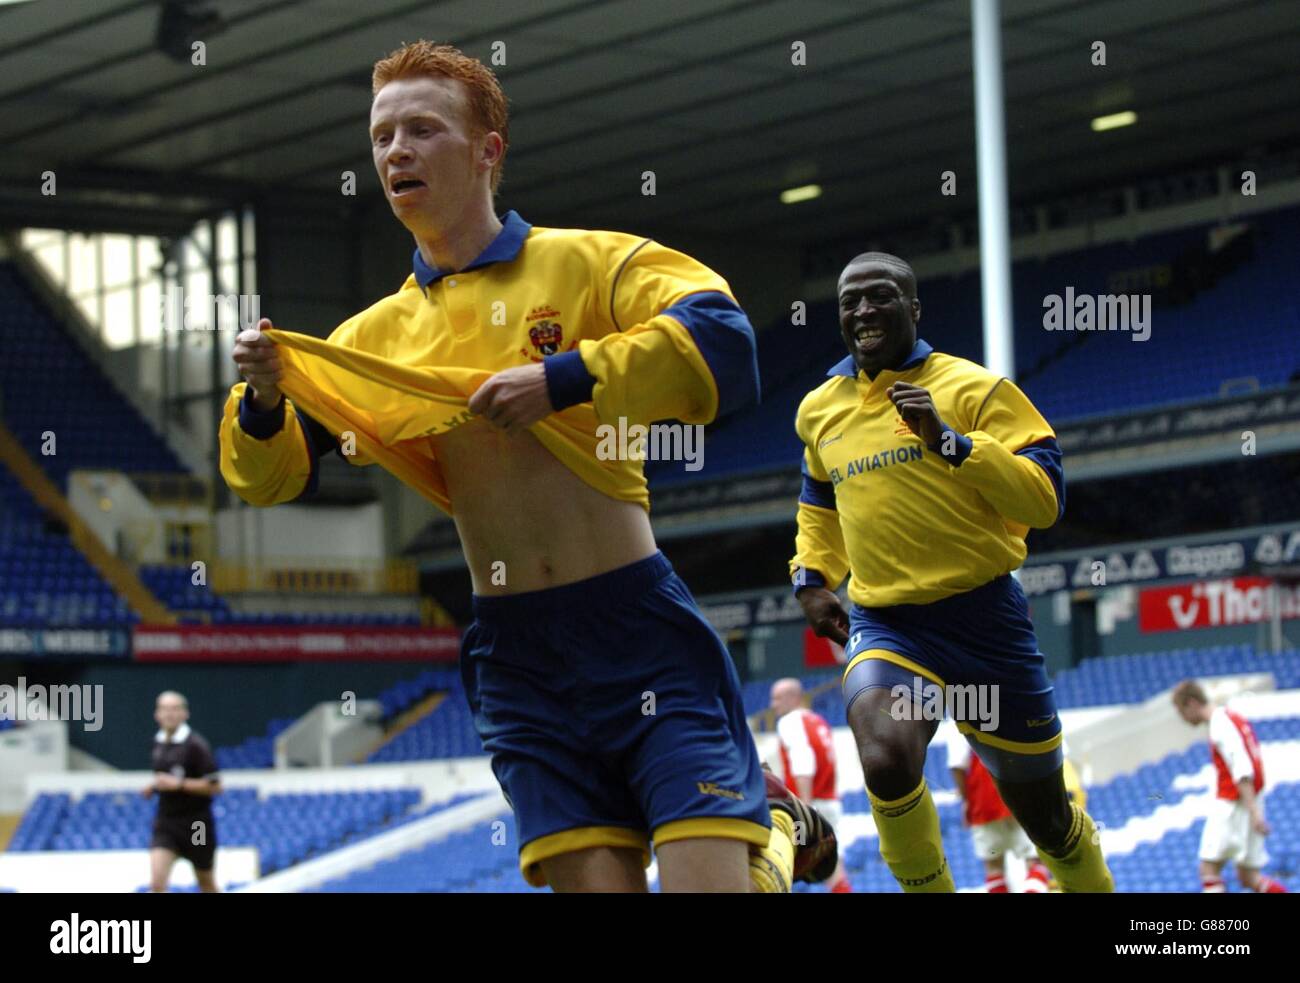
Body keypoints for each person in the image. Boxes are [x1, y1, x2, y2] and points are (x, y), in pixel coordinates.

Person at [219, 41, 834, 893]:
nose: (396, 150)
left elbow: (725, 340)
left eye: (423, 129)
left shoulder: (587, 262)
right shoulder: (370, 341)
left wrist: (566, 376)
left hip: (640, 629)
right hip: (518, 657)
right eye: (382, 135)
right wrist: (261, 404)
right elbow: (272, 478)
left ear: (488, 151)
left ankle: (769, 830)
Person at [789, 251, 1113, 892]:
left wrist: (952, 444)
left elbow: (1044, 499)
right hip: (890, 626)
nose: (863, 311)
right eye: (850, 301)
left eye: (879, 296)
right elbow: (820, 503)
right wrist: (814, 576)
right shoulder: (819, 410)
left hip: (986, 624)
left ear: (914, 308)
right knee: (883, 757)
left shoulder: (976, 389)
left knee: (1046, 821)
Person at [1172, 681, 1288, 893]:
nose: (1183, 719)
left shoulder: (1220, 723)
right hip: (1249, 800)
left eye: (1181, 711)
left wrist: (1253, 811)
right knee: (1248, 877)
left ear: (1192, 703)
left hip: (1233, 803)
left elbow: (1241, 767)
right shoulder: (1233, 718)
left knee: (1208, 869)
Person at [770, 678, 851, 891]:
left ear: (794, 698)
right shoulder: (817, 721)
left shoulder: (790, 722)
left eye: (778, 698)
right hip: (829, 804)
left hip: (806, 808)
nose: (773, 704)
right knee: (834, 868)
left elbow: (803, 762)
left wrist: (804, 809)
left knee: (789, 863)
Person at [946, 731, 1051, 893]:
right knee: (1036, 861)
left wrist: (967, 801)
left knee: (994, 867)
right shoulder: (1019, 707)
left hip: (983, 801)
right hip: (1022, 792)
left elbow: (956, 766)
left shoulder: (961, 714)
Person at [142, 691, 221, 893]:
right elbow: (166, 777)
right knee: (157, 884)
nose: (170, 714)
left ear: (185, 713)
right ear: (156, 714)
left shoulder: (196, 746)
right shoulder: (157, 743)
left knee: (205, 882)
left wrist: (179, 784)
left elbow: (215, 786)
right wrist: (154, 786)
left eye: (175, 709)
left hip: (197, 825)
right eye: (165, 709)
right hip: (167, 822)